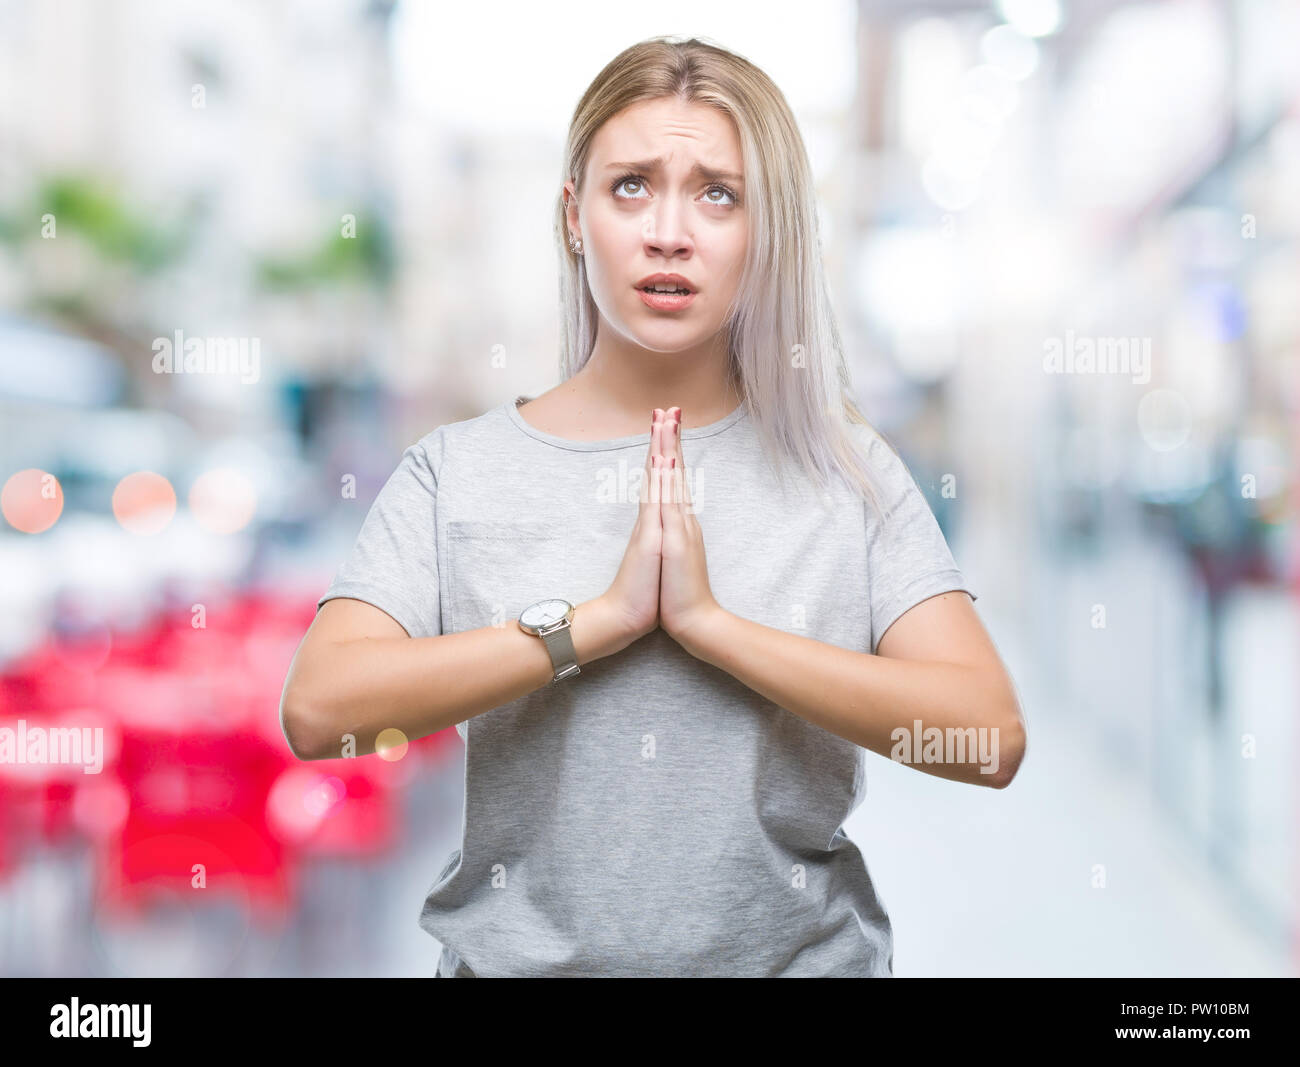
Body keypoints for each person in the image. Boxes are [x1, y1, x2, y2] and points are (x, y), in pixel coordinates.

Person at [280, 35, 1026, 978]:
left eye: (718, 191)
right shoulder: (454, 474)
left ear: (768, 231)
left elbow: (988, 735)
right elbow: (319, 712)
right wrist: (594, 625)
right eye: (630, 184)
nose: (668, 230)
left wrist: (714, 628)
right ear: (572, 217)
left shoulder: (846, 474)